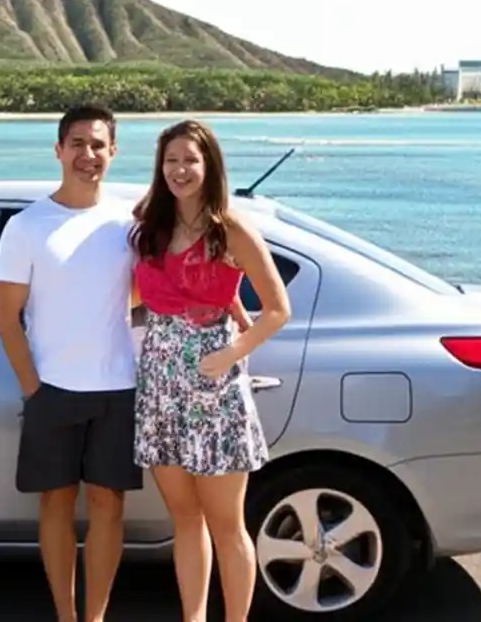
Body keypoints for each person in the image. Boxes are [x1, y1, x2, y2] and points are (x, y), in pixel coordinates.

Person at [128, 119, 291, 622]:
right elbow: (137, 296)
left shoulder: (231, 228)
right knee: (184, 519)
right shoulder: (149, 224)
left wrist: (230, 353)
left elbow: (278, 309)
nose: (180, 170)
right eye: (171, 160)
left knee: (227, 523)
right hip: (160, 385)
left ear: (209, 165)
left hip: (213, 388)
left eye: (190, 160)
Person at [0, 104, 141, 622]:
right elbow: (8, 319)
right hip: (52, 389)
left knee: (109, 507)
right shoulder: (26, 226)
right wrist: (35, 388)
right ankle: (65, 615)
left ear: (113, 153)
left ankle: (94, 617)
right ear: (59, 151)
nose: (88, 154)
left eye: (98, 145)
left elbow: (147, 296)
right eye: (77, 144)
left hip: (118, 389)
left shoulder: (130, 225)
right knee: (55, 506)